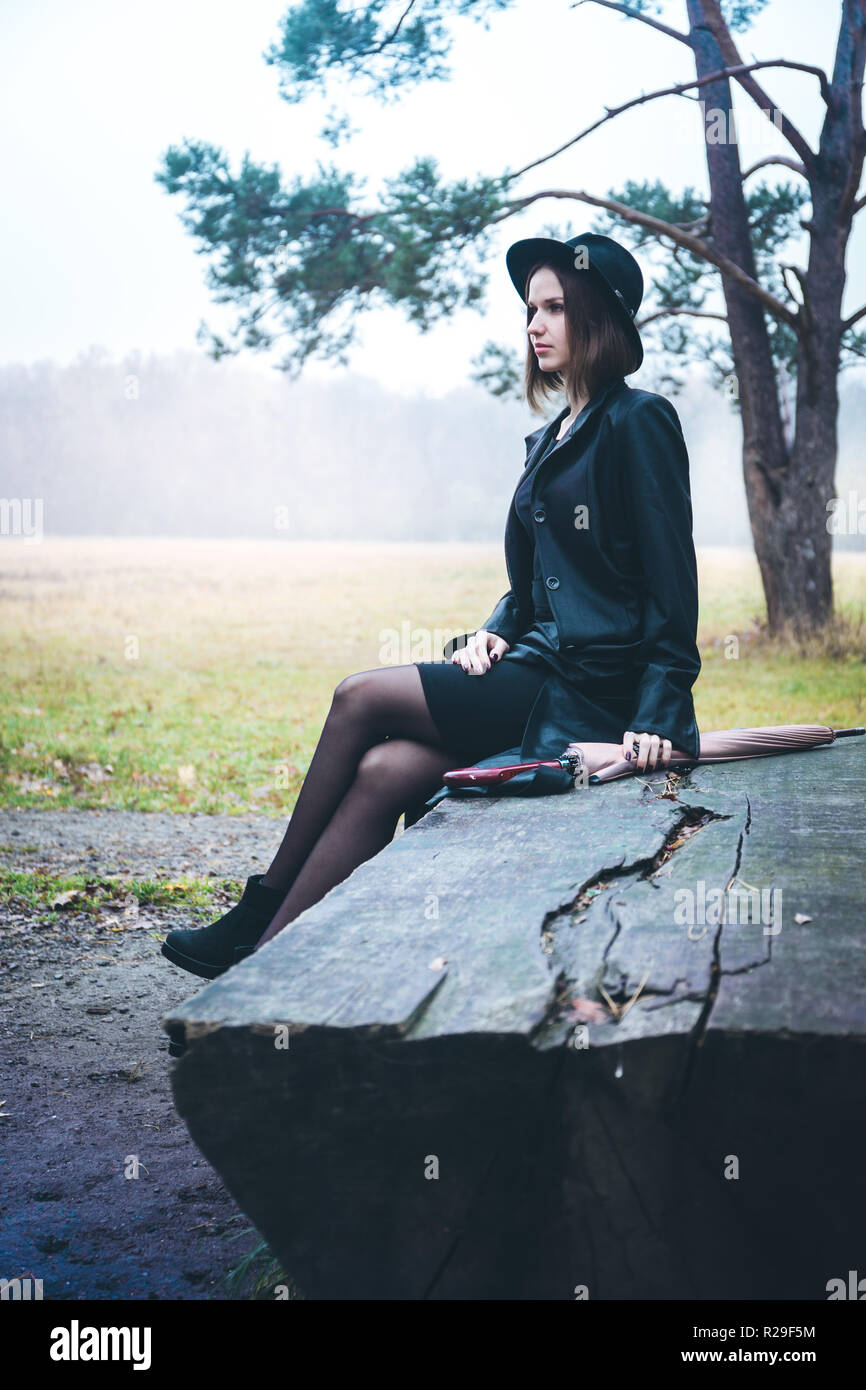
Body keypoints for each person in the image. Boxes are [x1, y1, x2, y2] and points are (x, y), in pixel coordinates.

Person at [160, 230, 701, 982]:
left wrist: (660, 711)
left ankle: (259, 907)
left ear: (599, 320)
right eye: (529, 310)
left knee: (359, 696)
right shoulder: (550, 438)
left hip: (589, 691)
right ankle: (262, 967)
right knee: (384, 769)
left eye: (554, 308)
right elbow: (539, 585)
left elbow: (672, 587)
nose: (535, 324)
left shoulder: (638, 421)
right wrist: (487, 633)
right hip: (537, 668)